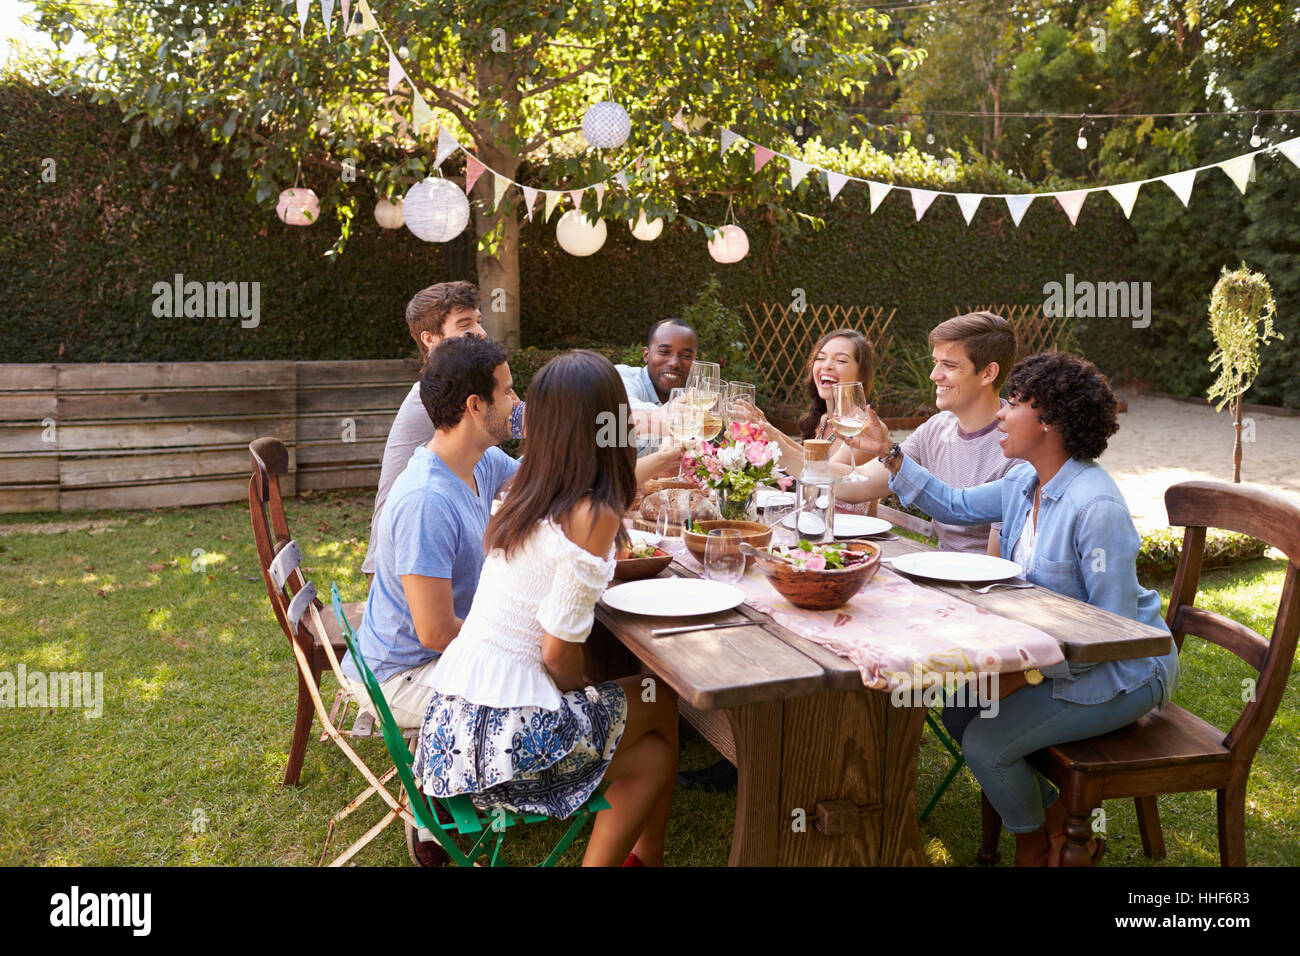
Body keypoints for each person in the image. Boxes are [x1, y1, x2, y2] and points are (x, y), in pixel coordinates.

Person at [851, 351, 1180, 866]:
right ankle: (1054, 825)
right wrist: (891, 454)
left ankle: (1029, 847)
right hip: (1057, 653)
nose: (1000, 414)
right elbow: (954, 505)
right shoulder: (1024, 481)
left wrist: (1024, 677)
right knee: (961, 709)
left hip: (1124, 669)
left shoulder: (1095, 508)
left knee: (985, 742)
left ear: (1048, 420)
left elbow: (1112, 636)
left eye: (1015, 404)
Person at [413, 350, 679, 867]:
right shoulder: (592, 512)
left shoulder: (524, 493)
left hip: (451, 731)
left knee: (654, 749)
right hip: (503, 746)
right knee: (660, 703)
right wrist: (586, 690)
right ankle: (647, 861)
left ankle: (646, 861)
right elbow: (558, 655)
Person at [342, 335, 520, 730]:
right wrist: (516, 643)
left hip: (438, 655)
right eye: (508, 391)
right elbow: (436, 632)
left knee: (546, 672)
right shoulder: (427, 501)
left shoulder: (481, 460)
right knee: (537, 699)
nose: (517, 402)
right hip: (400, 677)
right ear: (476, 406)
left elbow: (546, 482)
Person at [362, 281, 514, 580]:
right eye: (464, 325)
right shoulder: (436, 399)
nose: (480, 333)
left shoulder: (463, 392)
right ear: (431, 339)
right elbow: (530, 424)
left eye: (479, 322)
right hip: (400, 564)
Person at [616, 318, 698, 457]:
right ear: (646, 355)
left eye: (685, 356)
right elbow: (620, 412)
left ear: (695, 363)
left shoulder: (697, 402)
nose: (674, 363)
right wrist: (671, 416)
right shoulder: (622, 377)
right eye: (665, 352)